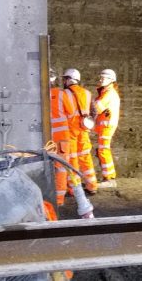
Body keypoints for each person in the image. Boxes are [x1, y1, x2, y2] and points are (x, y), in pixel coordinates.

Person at [48, 70, 93, 218]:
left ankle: (63, 194)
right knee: (63, 166)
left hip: (48, 137)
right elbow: (72, 112)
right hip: (65, 136)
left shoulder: (40, 95)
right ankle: (60, 198)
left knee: (57, 166)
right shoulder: (63, 94)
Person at [63, 68, 98, 194]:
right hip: (83, 131)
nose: (64, 81)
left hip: (70, 132)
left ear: (68, 79)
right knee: (85, 158)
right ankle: (92, 186)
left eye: (65, 79)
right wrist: (88, 125)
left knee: (72, 160)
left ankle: (74, 189)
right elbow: (94, 112)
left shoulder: (64, 94)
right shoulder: (87, 93)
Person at [92, 68, 121, 187]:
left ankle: (109, 179)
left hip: (107, 126)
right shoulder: (105, 92)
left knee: (104, 150)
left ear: (111, 80)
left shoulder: (109, 93)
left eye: (103, 78)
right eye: (100, 77)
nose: (100, 80)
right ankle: (108, 178)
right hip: (105, 126)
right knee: (102, 150)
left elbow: (97, 108)